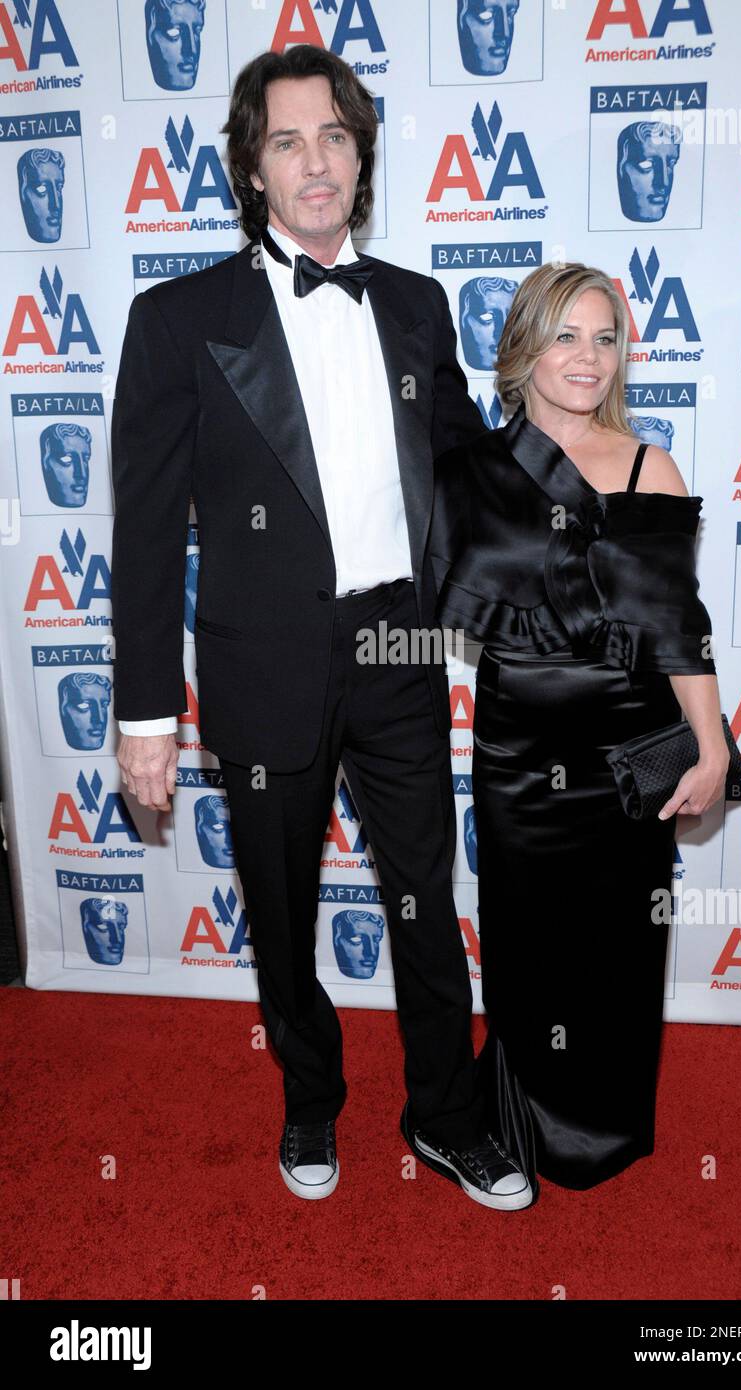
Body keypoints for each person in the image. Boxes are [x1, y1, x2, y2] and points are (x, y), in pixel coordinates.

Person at [110, 44, 533, 1211]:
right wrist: (145, 714)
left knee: (425, 900)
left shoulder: (413, 303)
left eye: (336, 136)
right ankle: (309, 1099)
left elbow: (465, 470)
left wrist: (571, 475)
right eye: (288, 139)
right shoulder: (179, 319)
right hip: (261, 667)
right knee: (283, 908)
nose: (316, 160)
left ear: (362, 156)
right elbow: (144, 536)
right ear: (251, 166)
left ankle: (447, 1112)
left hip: (399, 651)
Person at [430, 262, 730, 1194]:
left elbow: (675, 628)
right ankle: (520, 1114)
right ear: (523, 345)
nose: (586, 357)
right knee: (524, 939)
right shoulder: (467, 468)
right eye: (565, 335)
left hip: (625, 752)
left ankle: (600, 1122)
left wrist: (712, 743)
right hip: (517, 746)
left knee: (618, 943)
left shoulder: (650, 465)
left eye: (604, 338)